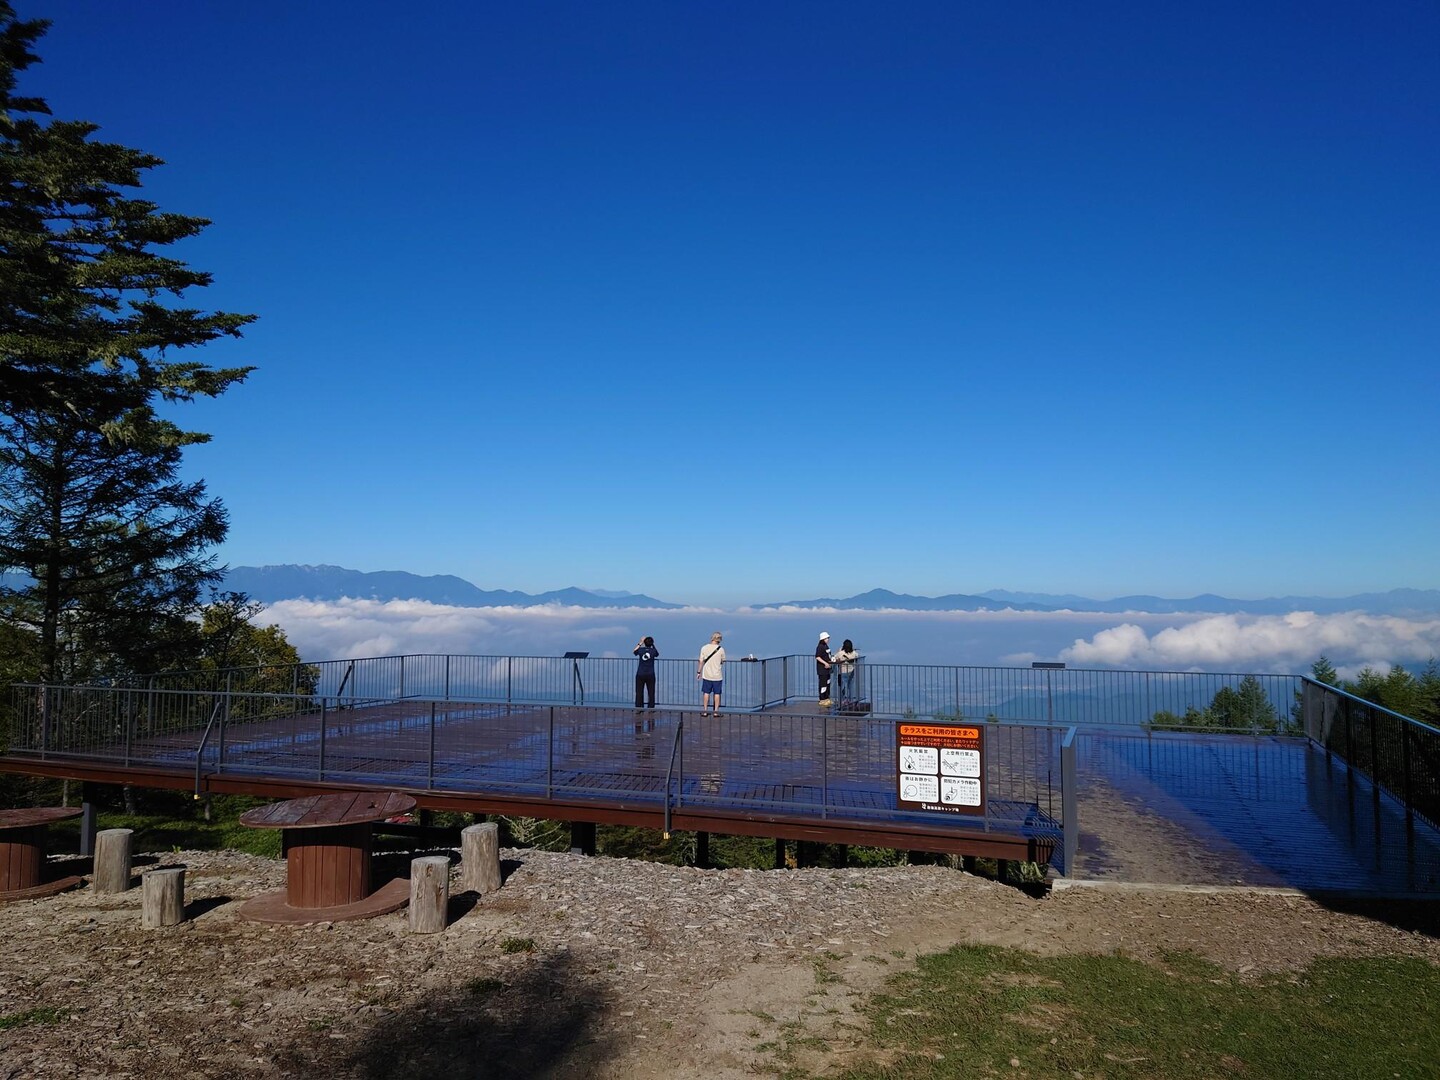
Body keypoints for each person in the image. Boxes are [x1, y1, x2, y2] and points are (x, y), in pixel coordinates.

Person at [696, 631, 725, 715]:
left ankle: (705, 711)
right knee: (717, 693)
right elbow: (722, 661)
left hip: (707, 674)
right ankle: (716, 712)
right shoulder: (721, 649)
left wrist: (698, 672)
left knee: (706, 692)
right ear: (719, 639)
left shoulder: (704, 648)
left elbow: (701, 661)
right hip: (717, 675)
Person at [633, 636, 659, 710]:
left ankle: (639, 707)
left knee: (639, 692)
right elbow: (657, 654)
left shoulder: (640, 650)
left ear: (644, 643)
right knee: (651, 692)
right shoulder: (653, 651)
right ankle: (651, 708)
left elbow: (634, 651)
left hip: (640, 674)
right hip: (650, 674)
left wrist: (640, 643)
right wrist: (652, 645)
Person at [833, 638, 858, 703]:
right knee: (850, 685)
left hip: (843, 671)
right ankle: (851, 699)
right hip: (851, 671)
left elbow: (834, 657)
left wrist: (839, 650)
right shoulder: (854, 653)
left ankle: (842, 700)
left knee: (842, 686)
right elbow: (857, 656)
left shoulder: (841, 653)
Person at [815, 631, 833, 707]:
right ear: (823, 638)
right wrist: (825, 663)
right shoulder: (820, 647)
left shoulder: (826, 646)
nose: (828, 639)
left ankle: (826, 698)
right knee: (823, 684)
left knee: (827, 683)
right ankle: (822, 699)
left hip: (827, 669)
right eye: (827, 638)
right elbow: (817, 657)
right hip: (822, 669)